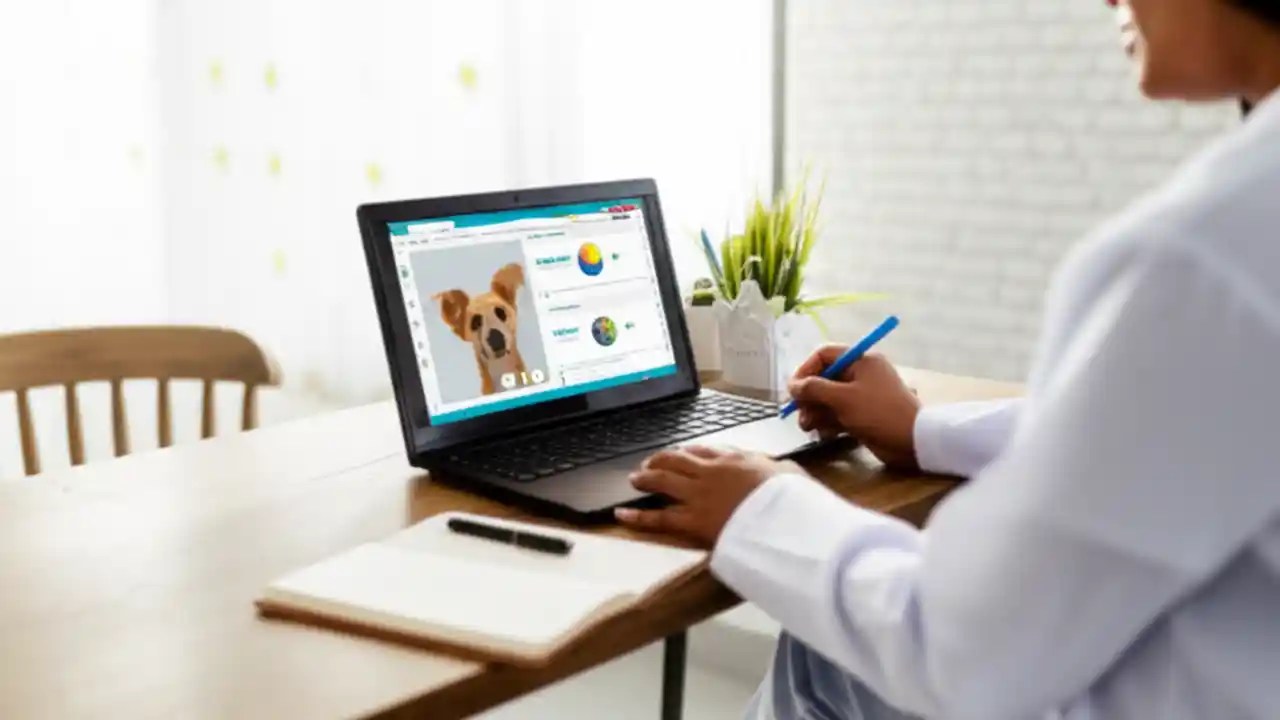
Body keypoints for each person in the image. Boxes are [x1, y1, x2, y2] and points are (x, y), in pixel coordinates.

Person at [614, 0, 1280, 718]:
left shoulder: (1203, 261)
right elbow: (1171, 431)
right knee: (823, 659)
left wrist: (763, 507)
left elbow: (964, 649)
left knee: (826, 665)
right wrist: (922, 430)